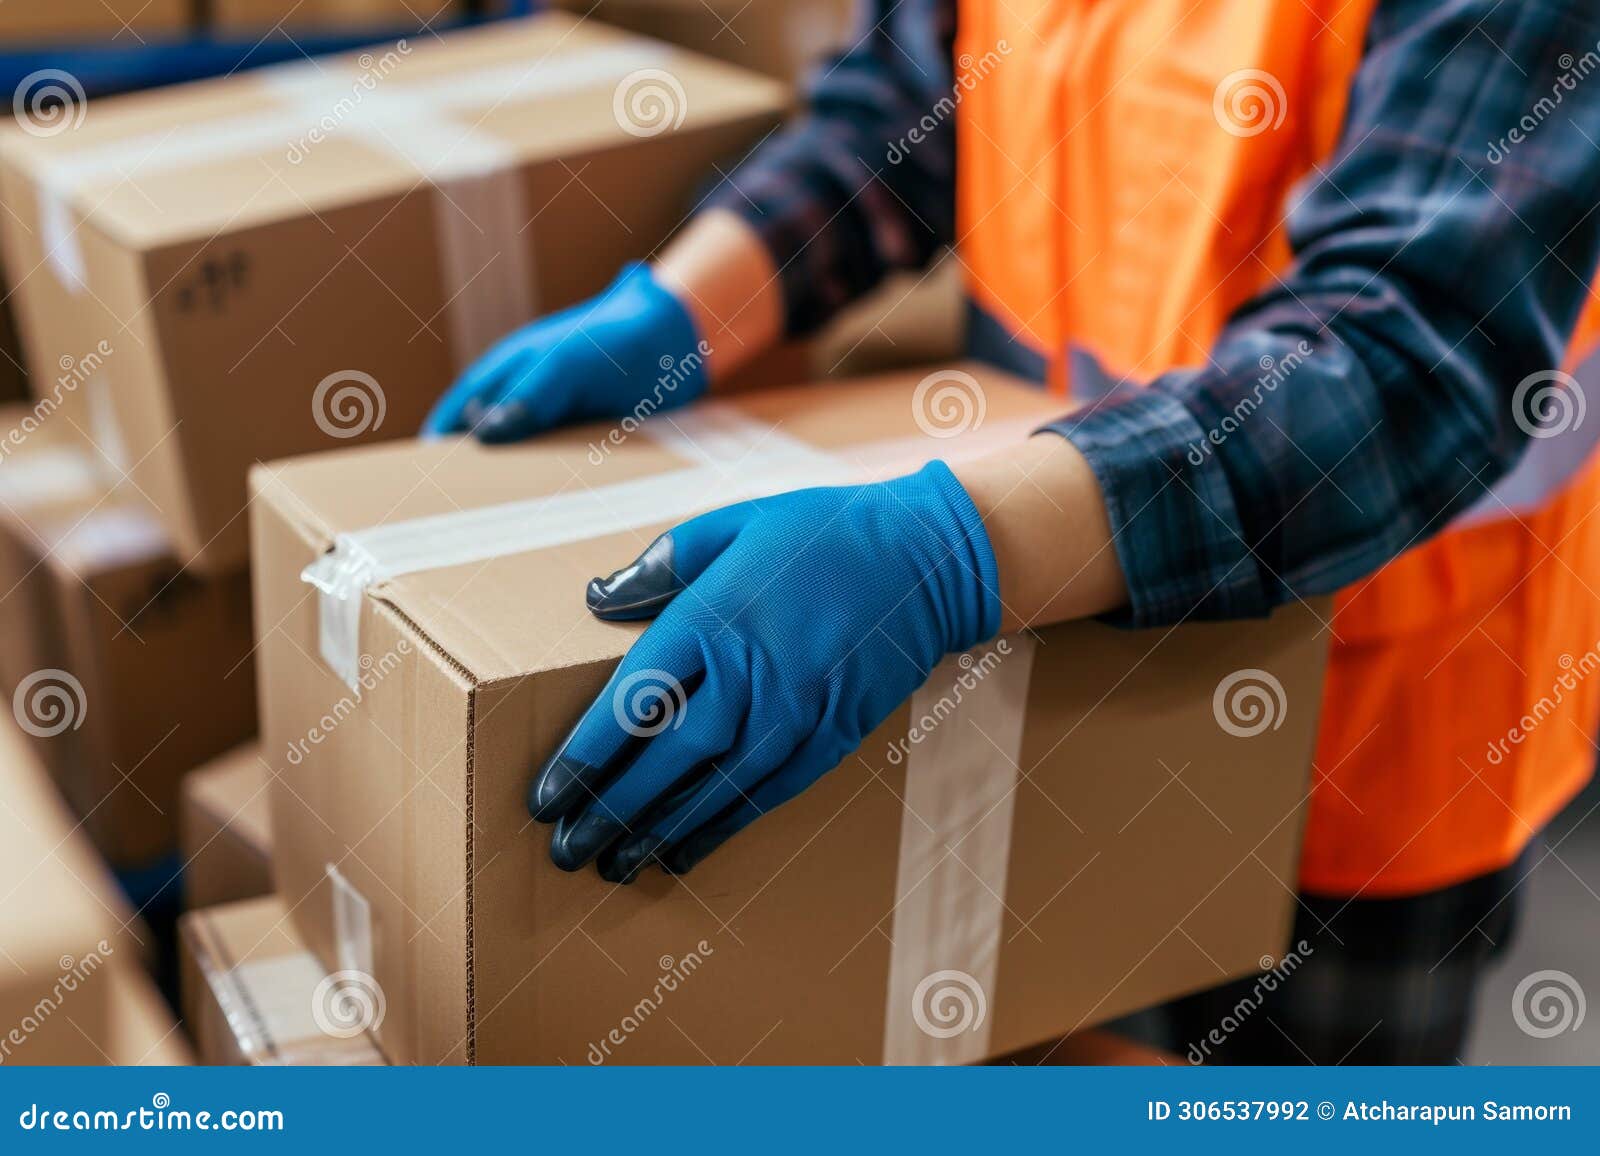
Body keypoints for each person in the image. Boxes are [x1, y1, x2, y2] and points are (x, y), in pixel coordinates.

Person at [423, 0, 1600, 1063]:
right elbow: (907, 111)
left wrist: (947, 548)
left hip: (1367, 726)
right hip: (1068, 649)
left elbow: (1404, 354)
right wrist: (685, 306)